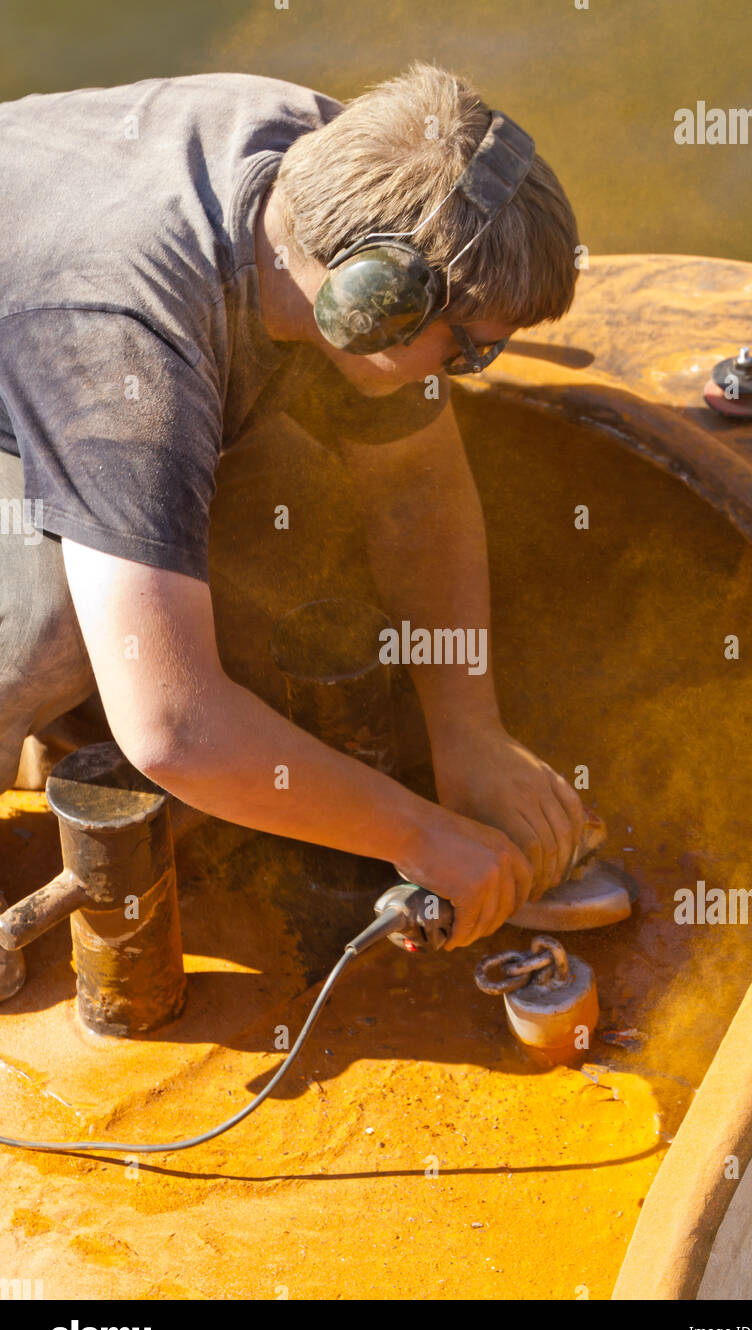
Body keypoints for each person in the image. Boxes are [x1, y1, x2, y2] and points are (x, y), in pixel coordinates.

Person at [0, 61, 585, 985]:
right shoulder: (127, 347)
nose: (479, 367)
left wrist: (468, 732)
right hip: (60, 347)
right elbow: (172, 731)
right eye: (471, 352)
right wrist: (420, 832)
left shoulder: (342, 178)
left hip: (57, 337)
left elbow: (415, 491)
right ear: (370, 305)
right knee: (51, 628)